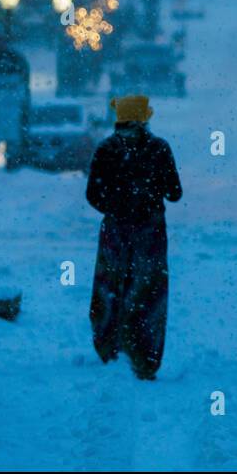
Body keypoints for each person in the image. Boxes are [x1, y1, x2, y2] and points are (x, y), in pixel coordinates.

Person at [85, 95, 182, 380]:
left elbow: (92, 194)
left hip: (115, 230)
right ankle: (144, 355)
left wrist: (115, 208)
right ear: (144, 120)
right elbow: (175, 193)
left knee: (111, 286)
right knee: (148, 291)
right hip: (150, 231)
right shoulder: (159, 148)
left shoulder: (106, 149)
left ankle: (110, 348)